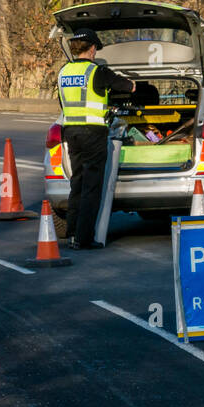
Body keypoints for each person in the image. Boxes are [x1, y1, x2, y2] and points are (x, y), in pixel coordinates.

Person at [57, 29, 135, 249]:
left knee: (78, 183)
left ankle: (72, 232)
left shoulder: (63, 72)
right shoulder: (97, 72)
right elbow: (128, 86)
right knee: (92, 186)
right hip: (92, 133)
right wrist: (131, 85)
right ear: (92, 48)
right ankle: (84, 239)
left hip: (71, 131)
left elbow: (63, 102)